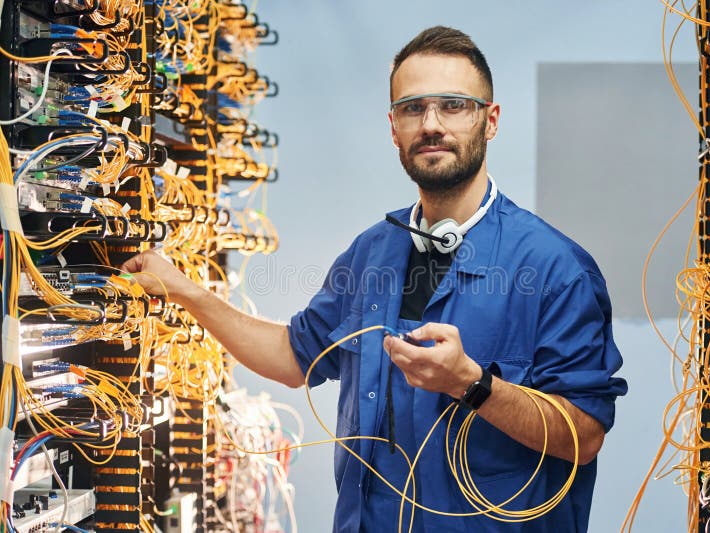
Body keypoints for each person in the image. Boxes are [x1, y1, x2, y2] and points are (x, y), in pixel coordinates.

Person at [123, 26, 627, 533]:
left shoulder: (555, 270)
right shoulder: (372, 254)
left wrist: (472, 385)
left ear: (489, 120)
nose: (431, 125)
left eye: (453, 105)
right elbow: (294, 357)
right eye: (413, 108)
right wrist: (185, 291)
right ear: (394, 128)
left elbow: (582, 438)